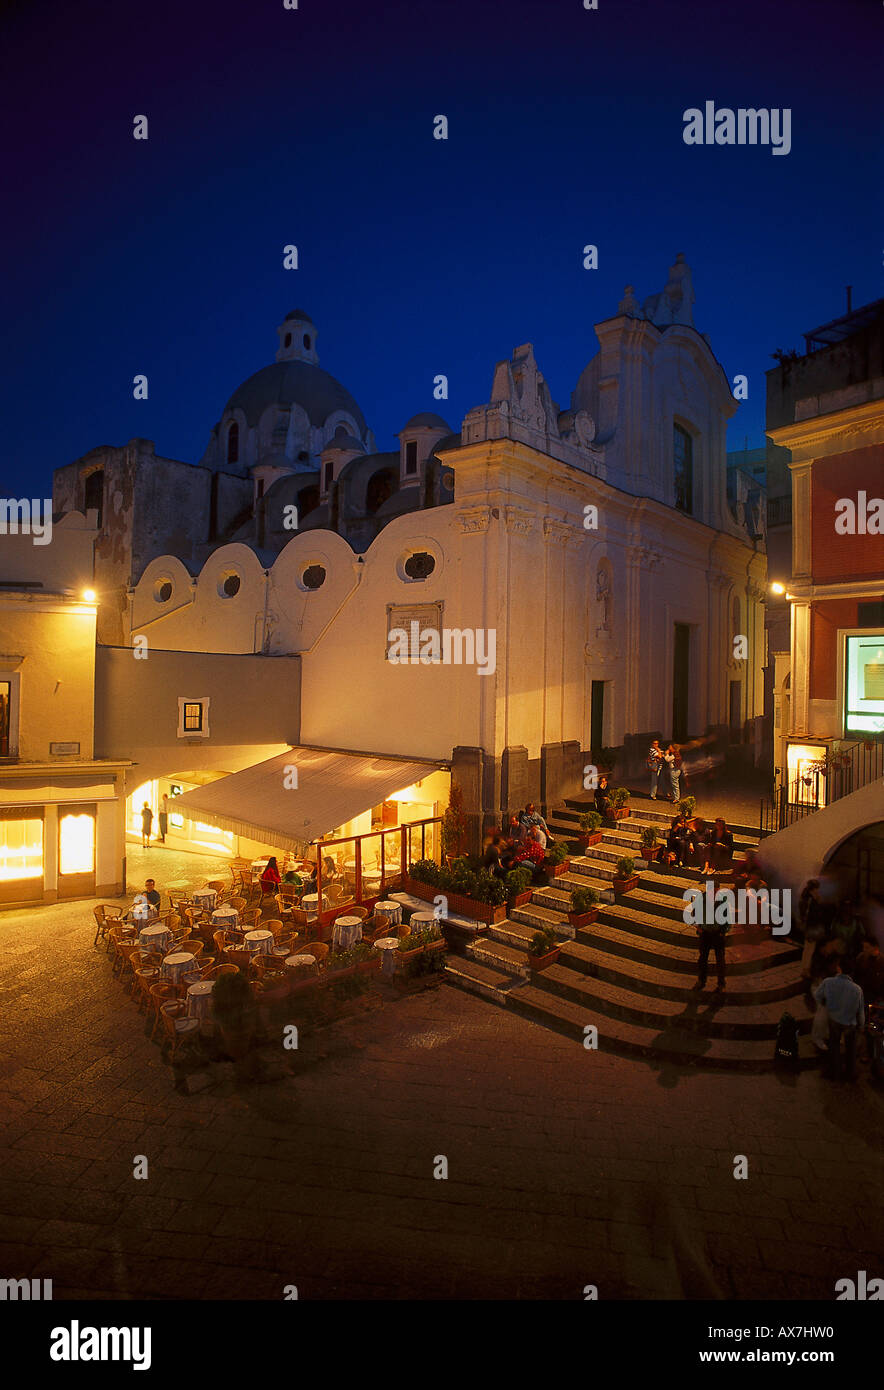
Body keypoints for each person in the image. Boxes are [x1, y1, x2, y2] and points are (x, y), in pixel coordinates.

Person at [814, 961, 864, 1081]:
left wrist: (825, 1003)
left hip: (834, 1019)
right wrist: (861, 1025)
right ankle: (850, 1073)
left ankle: (835, 1072)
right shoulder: (857, 989)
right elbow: (860, 1009)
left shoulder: (828, 982)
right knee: (850, 1049)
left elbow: (817, 995)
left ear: (839, 968)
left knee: (834, 1046)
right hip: (850, 1022)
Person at [692, 885, 732, 993]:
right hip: (705, 933)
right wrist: (698, 926)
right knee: (703, 959)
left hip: (717, 934)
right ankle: (701, 980)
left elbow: (728, 918)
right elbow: (694, 913)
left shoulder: (723, 902)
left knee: (720, 960)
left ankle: (721, 983)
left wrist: (723, 931)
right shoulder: (702, 899)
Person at [798, 879, 826, 982]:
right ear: (813, 889)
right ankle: (805, 970)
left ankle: (806, 969)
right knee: (809, 949)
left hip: (810, 927)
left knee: (808, 949)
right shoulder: (811, 900)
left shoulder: (806, 898)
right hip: (811, 928)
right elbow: (810, 916)